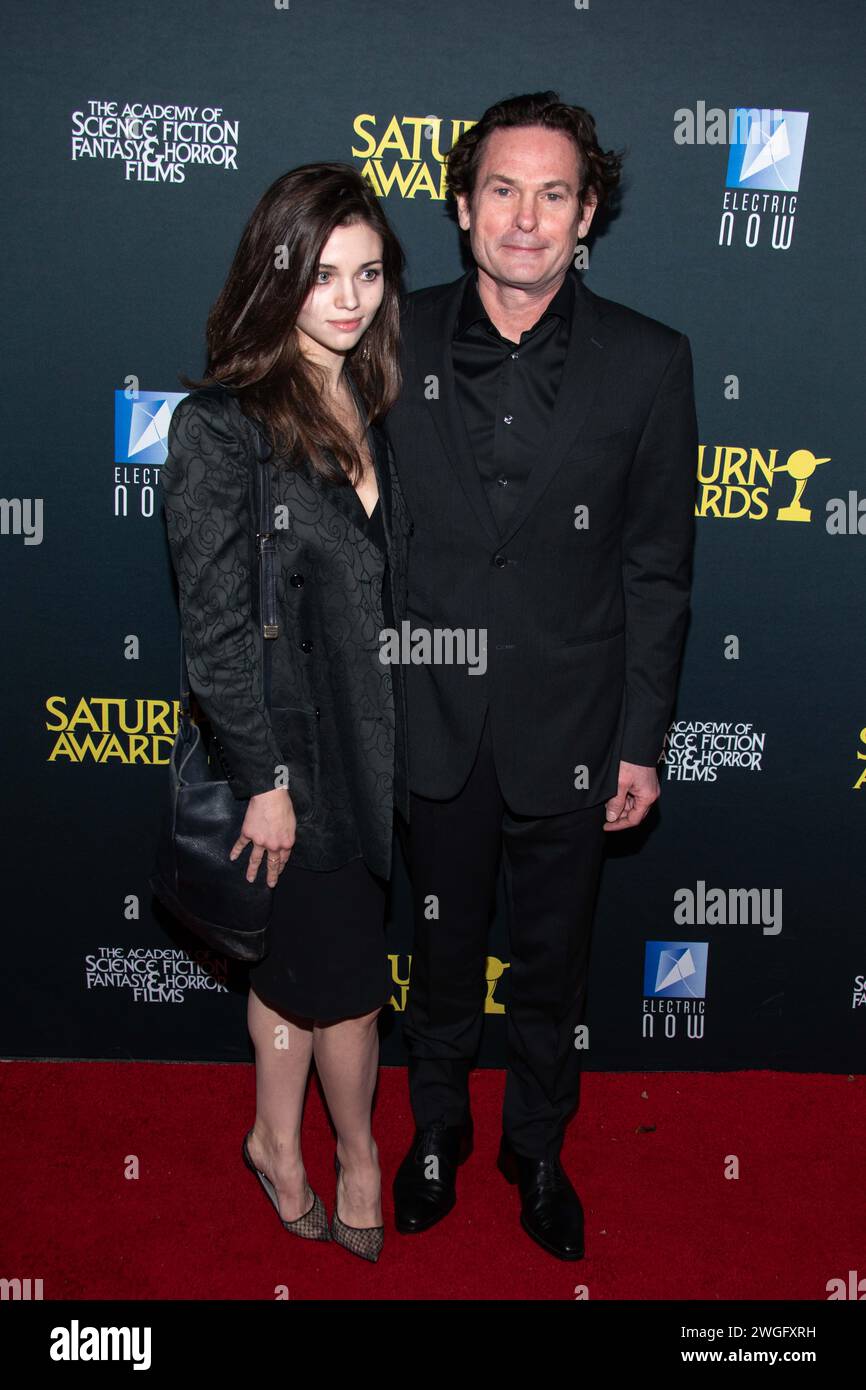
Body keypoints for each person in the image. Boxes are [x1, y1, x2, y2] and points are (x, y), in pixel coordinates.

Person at [384, 91, 698, 1260]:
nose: (525, 218)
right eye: (502, 191)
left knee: (552, 965)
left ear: (587, 213)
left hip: (573, 722)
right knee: (437, 949)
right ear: (463, 208)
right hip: (428, 710)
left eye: (552, 194)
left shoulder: (649, 361)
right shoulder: (389, 338)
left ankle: (537, 1145)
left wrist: (640, 740)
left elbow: (655, 567)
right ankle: (434, 1129)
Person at [160, 163, 411, 1263]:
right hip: (292, 767)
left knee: (297, 975)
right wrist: (263, 781)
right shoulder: (223, 428)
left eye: (368, 273)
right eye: (321, 276)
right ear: (276, 278)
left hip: (379, 754)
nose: (348, 299)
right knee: (339, 988)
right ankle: (353, 1156)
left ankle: (273, 1138)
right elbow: (215, 632)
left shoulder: (384, 403)